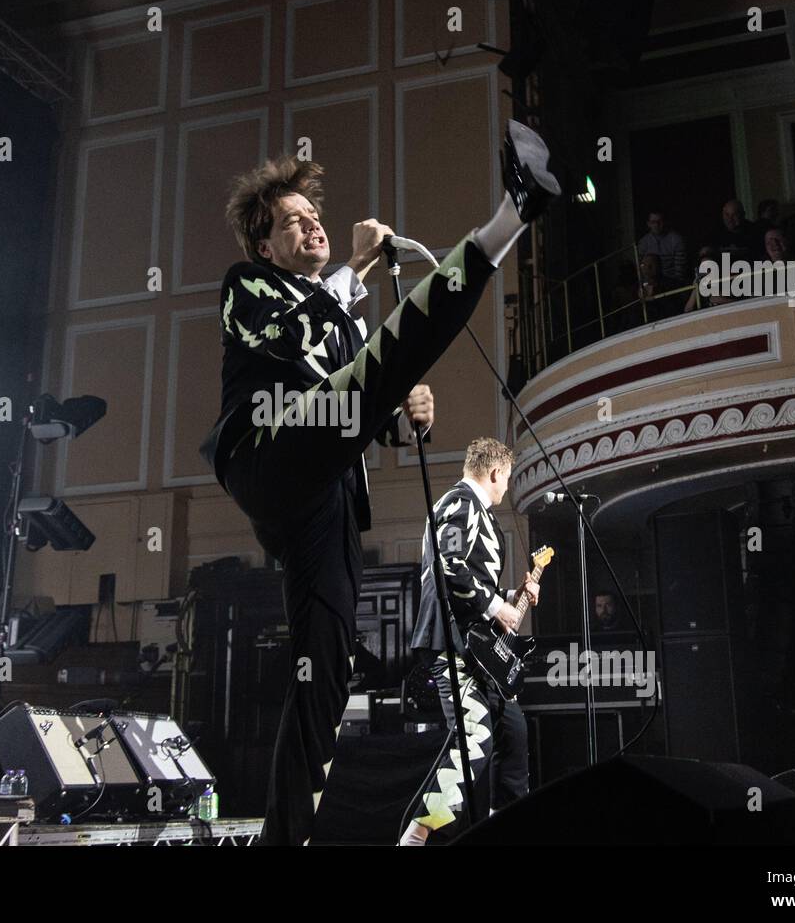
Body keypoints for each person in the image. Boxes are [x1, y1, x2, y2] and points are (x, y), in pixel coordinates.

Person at [200, 122, 559, 845]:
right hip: (270, 455)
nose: (313, 226)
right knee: (384, 352)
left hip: (326, 496)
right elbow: (287, 344)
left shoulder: (342, 322)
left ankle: (285, 838)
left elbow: (364, 394)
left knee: (324, 674)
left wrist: (407, 416)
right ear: (265, 246)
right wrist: (357, 272)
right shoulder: (250, 287)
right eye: (293, 222)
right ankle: (506, 216)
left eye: (314, 216)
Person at [399, 437, 541, 845]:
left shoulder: (472, 508)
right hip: (453, 645)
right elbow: (449, 565)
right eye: (507, 479)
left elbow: (471, 579)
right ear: (495, 472)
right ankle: (418, 834)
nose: (507, 488)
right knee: (476, 735)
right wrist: (498, 606)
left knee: (512, 732)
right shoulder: (461, 503)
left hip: (475, 649)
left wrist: (513, 599)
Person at [636, 209, 687, 286]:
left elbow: (679, 271)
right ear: (648, 224)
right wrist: (646, 285)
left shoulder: (676, 240)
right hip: (651, 283)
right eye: (653, 222)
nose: (656, 225)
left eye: (659, 221)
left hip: (671, 282)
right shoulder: (643, 243)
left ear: (665, 222)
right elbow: (641, 268)